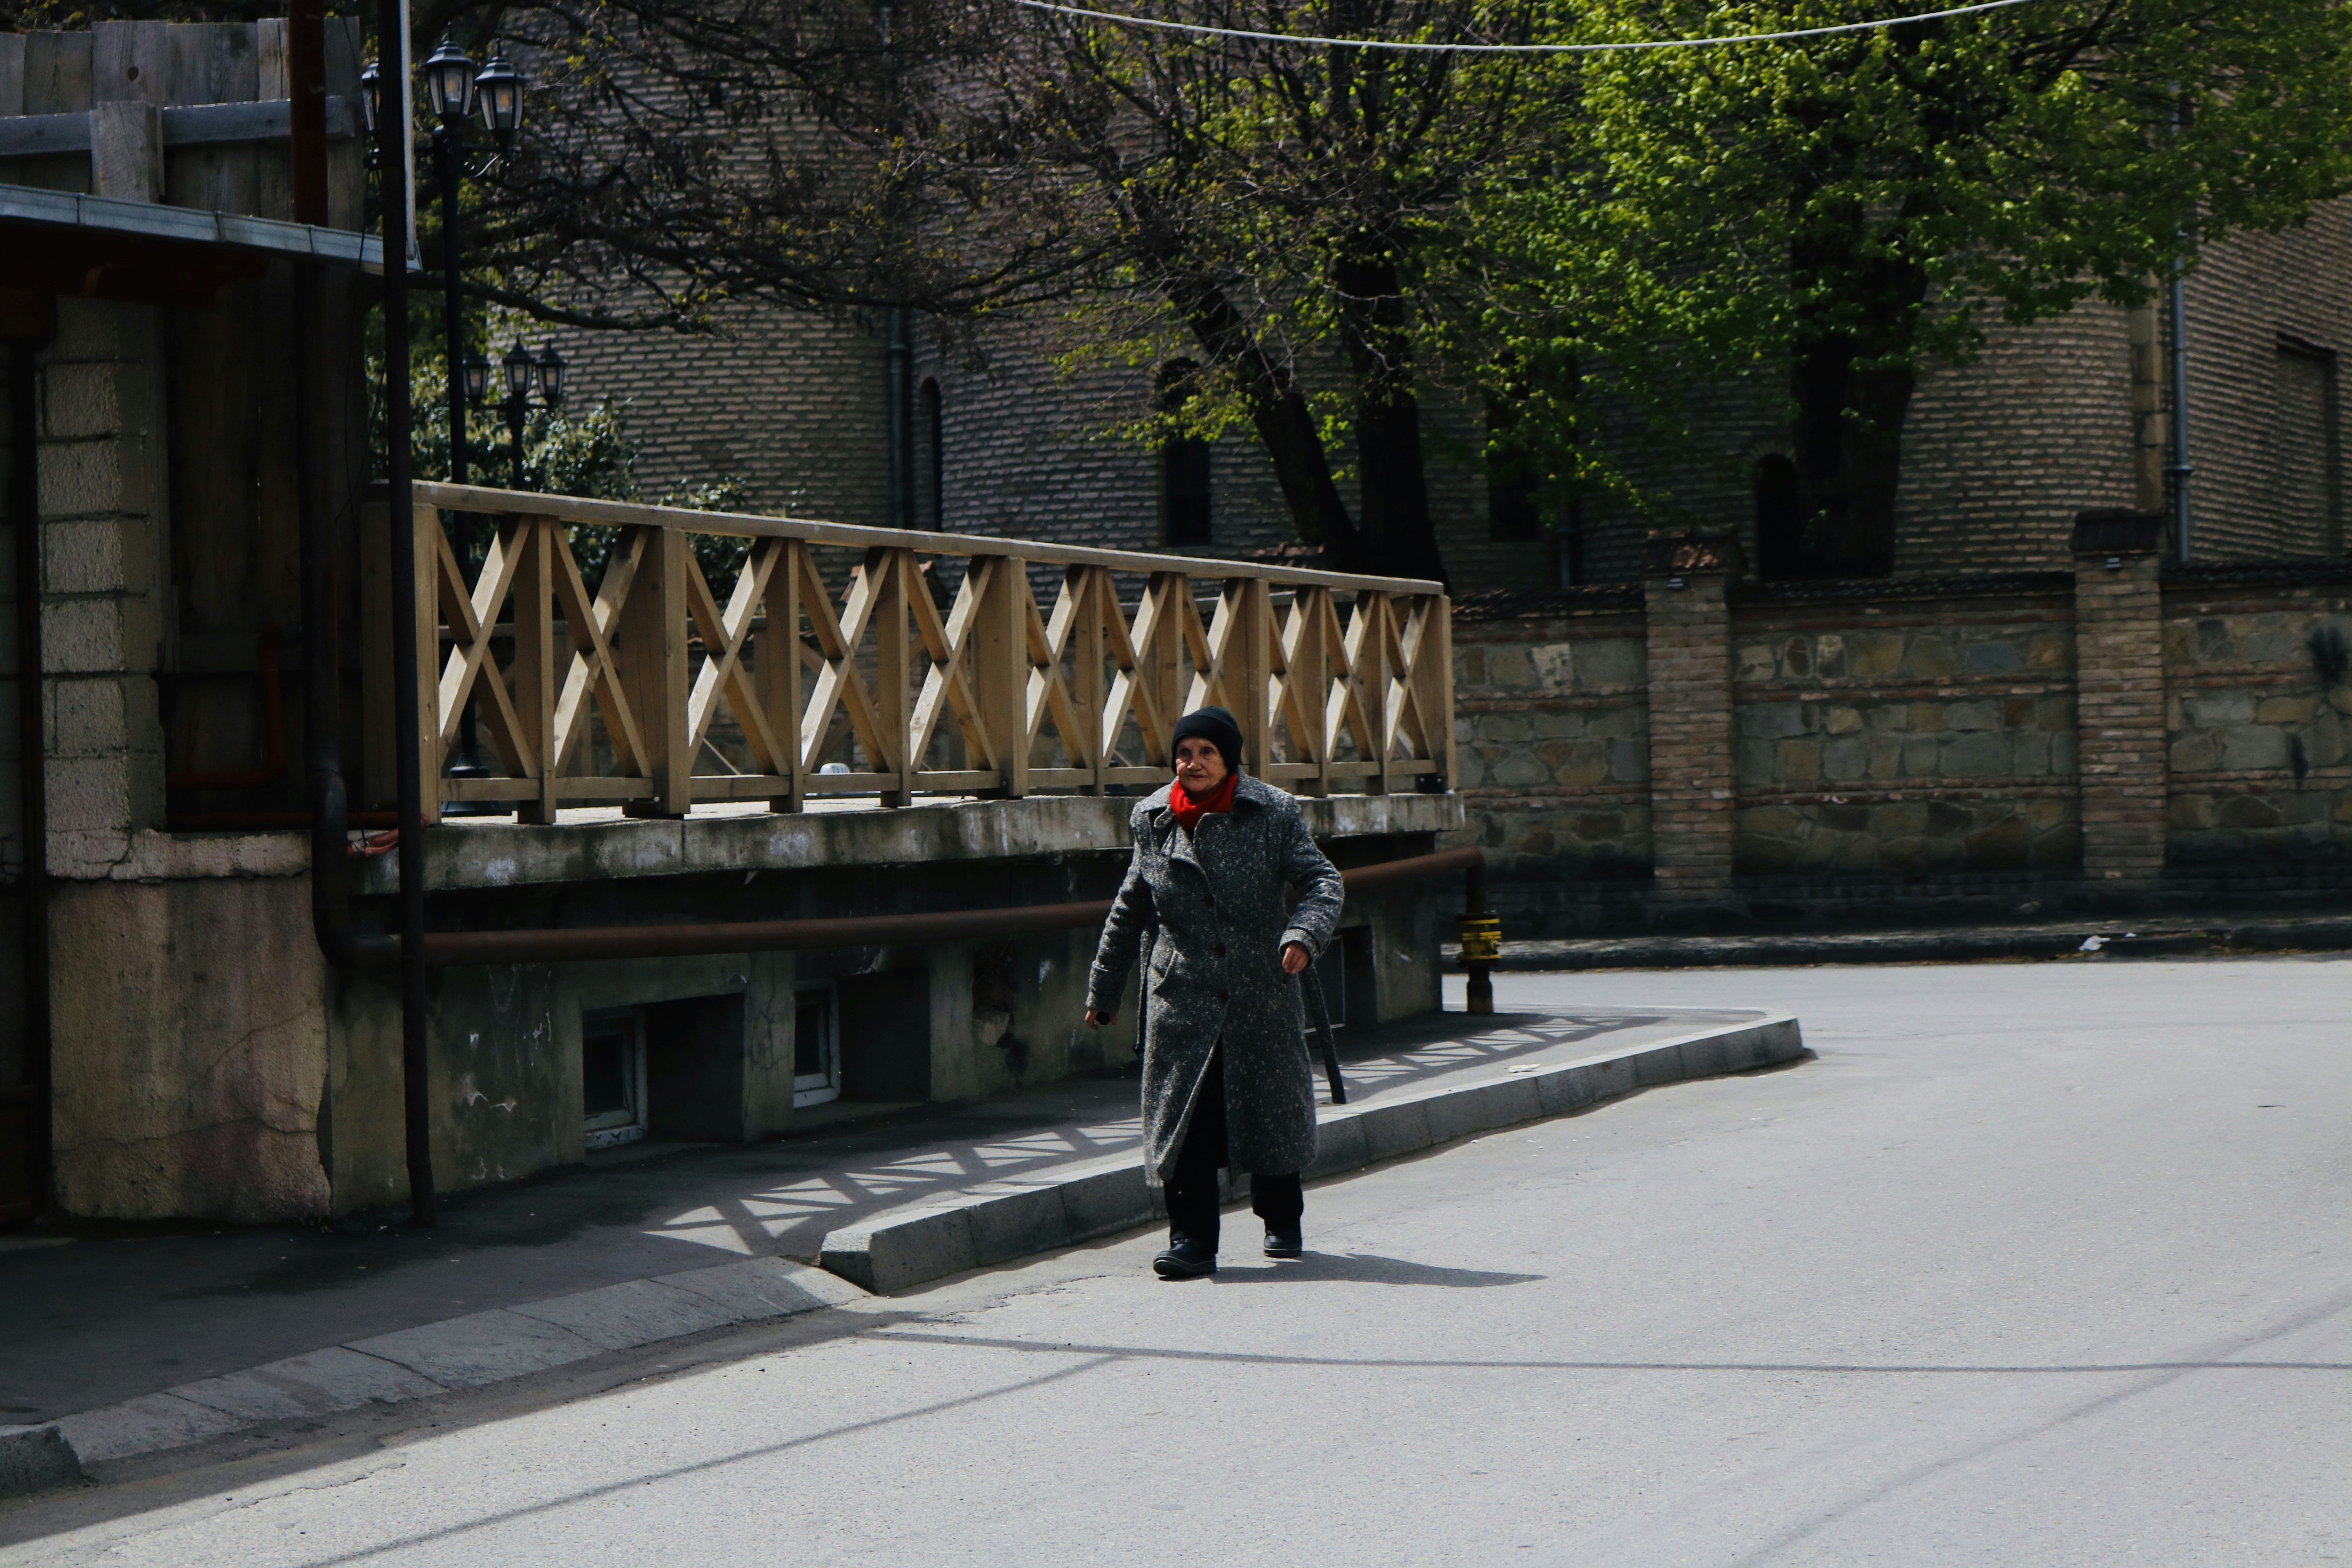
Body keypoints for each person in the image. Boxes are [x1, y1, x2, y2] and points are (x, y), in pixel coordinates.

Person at [1084, 704, 1345, 1278]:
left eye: (1206, 753)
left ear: (1229, 761)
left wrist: (1303, 934)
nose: (1192, 763)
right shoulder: (1151, 818)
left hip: (1260, 985)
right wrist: (1104, 988)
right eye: (1184, 752)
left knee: (1268, 1109)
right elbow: (1131, 906)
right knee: (1187, 1120)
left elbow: (1322, 881)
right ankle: (1192, 1241)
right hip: (1183, 991)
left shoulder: (1272, 812)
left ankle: (1282, 1217)